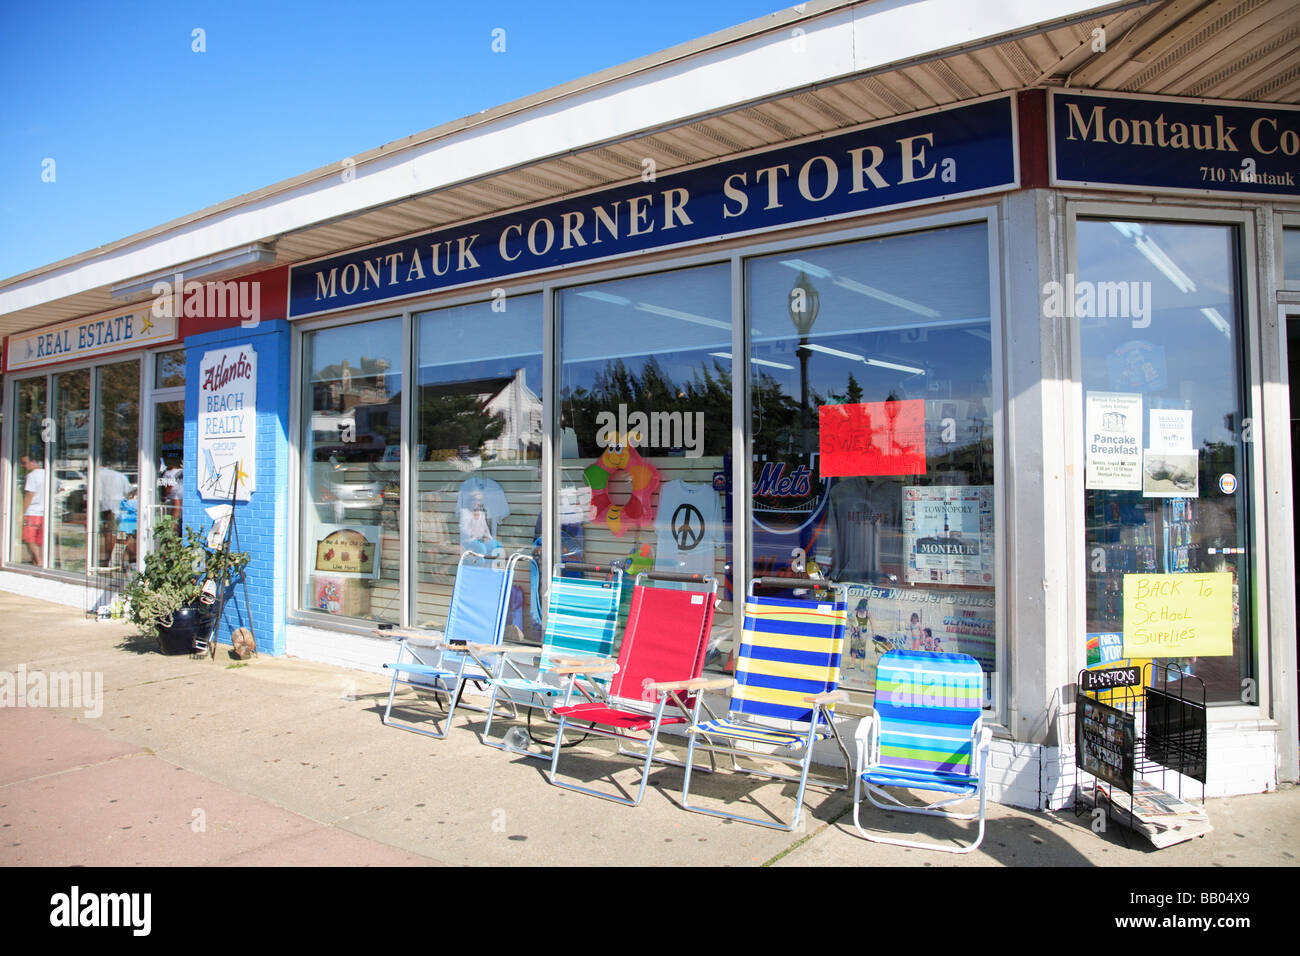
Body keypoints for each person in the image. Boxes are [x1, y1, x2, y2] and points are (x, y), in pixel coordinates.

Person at [20, 452, 46, 565]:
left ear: (33, 462)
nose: (23, 466)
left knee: (29, 538)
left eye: (25, 463)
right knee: (40, 538)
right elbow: (60, 487)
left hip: (32, 512)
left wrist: (22, 512)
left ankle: (38, 560)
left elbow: (29, 494)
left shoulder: (31, 476)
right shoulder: (48, 474)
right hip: (44, 511)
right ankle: (39, 559)